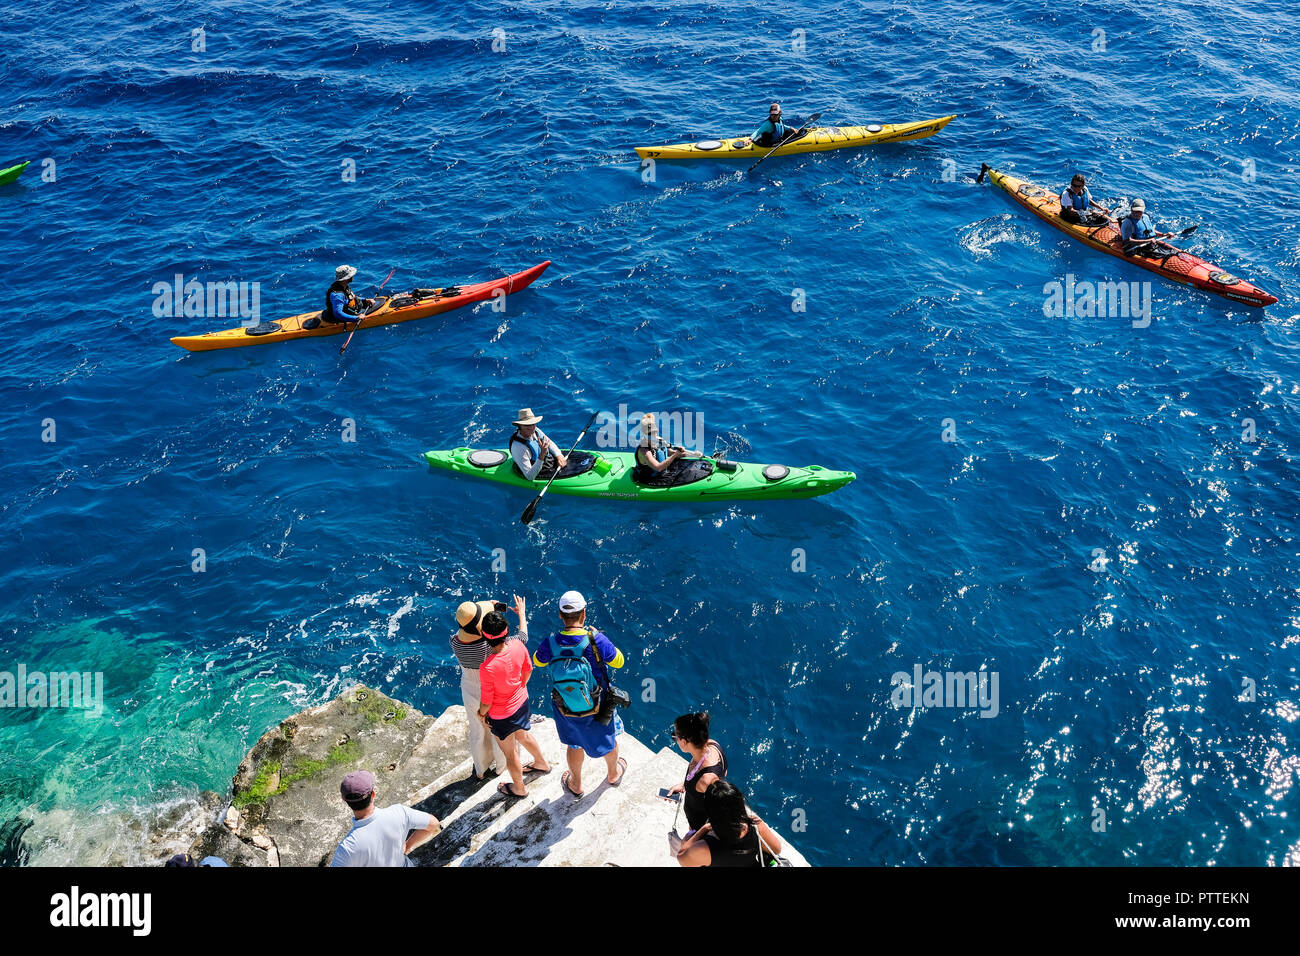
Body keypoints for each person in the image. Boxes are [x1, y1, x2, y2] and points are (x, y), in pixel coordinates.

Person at [532, 590, 627, 797]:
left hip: (565, 704)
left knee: (574, 744)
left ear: (560, 615)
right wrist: (602, 639)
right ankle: (613, 774)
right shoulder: (596, 640)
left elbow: (537, 661)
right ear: (583, 614)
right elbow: (619, 661)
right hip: (597, 704)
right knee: (609, 739)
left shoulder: (551, 642)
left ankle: (575, 784)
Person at [477, 610, 552, 798]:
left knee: (510, 754)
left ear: (484, 636)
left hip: (502, 716)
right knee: (524, 736)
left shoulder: (487, 667)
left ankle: (519, 789)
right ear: (507, 630)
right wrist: (520, 686)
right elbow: (528, 669)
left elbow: (487, 701)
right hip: (522, 702)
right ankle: (542, 763)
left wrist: (481, 713)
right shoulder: (518, 644)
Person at [452, 597, 522, 779]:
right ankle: (500, 766)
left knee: (476, 730)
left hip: (468, 688)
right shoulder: (486, 646)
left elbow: (471, 626)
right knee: (495, 729)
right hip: (488, 688)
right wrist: (521, 615)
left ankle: (480, 769)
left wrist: (482, 609)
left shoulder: (454, 641)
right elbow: (521, 638)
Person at [329, 770, 440, 867]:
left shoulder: (347, 847)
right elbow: (433, 824)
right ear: (373, 794)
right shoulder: (399, 813)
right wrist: (407, 845)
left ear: (343, 799)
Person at [676, 780, 783, 868]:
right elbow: (776, 849)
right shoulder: (756, 825)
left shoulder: (703, 848)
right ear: (740, 804)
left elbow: (682, 859)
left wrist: (703, 829)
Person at [666, 712, 727, 833]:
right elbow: (722, 773)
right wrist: (685, 785)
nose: (674, 739)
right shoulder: (712, 745)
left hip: (700, 829)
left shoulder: (706, 779)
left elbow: (718, 812)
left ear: (684, 742)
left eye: (675, 737)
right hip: (695, 821)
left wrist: (695, 839)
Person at [632, 413, 698, 483]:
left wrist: (693, 454)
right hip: (650, 478)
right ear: (644, 434)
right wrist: (675, 455)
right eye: (650, 433)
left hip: (664, 472)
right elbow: (658, 468)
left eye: (655, 432)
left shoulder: (659, 440)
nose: (654, 435)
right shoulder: (644, 451)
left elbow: (670, 452)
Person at [508, 407, 568, 480]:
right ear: (520, 426)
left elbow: (550, 443)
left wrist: (559, 456)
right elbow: (529, 476)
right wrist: (542, 454)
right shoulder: (518, 447)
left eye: (533, 423)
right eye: (527, 425)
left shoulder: (535, 430)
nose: (531, 427)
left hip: (548, 461)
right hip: (537, 471)